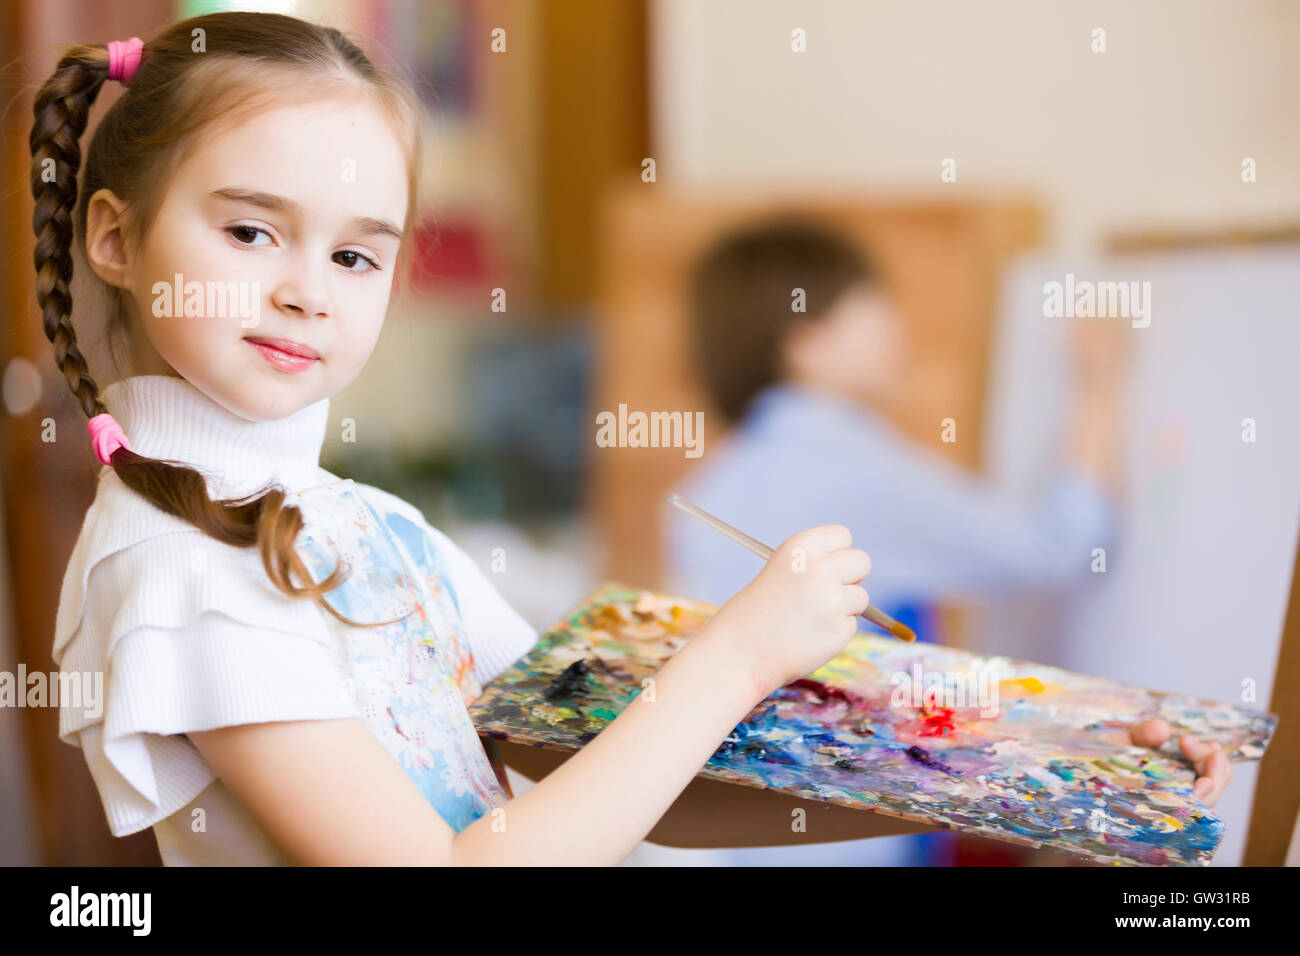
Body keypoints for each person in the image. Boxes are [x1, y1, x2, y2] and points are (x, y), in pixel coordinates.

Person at [37, 12, 876, 866]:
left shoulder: (377, 525)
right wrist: (739, 657)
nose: (307, 293)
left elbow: (629, 779)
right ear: (115, 237)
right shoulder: (180, 572)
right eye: (251, 232)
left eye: (354, 257)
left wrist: (923, 780)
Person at [661, 218, 1232, 864]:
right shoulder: (849, 467)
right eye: (872, 302)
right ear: (807, 341)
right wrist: (1100, 381)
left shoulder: (708, 487)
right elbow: (1059, 546)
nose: (897, 324)